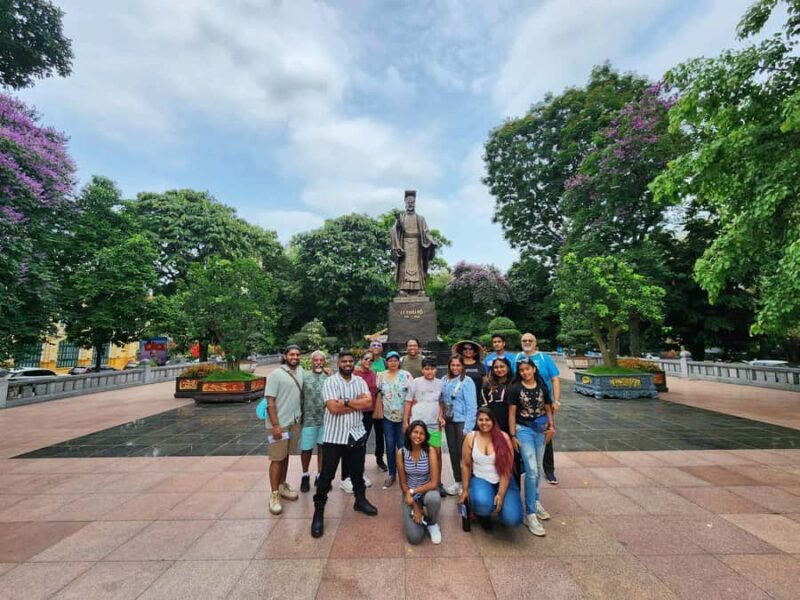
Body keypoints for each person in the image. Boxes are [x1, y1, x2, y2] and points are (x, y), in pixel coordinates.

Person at [311, 352, 378, 538]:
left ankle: (360, 500)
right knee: (326, 476)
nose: (347, 364)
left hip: (356, 434)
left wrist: (345, 402)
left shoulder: (359, 381)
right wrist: (354, 404)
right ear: (338, 363)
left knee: (357, 472)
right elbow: (332, 408)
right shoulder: (330, 382)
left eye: (350, 361)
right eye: (344, 361)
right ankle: (319, 512)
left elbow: (368, 402)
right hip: (334, 437)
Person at [509, 357, 554, 536]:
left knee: (538, 470)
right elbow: (512, 414)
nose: (525, 373)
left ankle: (535, 501)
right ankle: (530, 514)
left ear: (534, 369)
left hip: (541, 430)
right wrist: (513, 435)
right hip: (523, 430)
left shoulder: (543, 387)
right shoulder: (515, 389)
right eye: (522, 371)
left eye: (528, 369)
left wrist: (551, 426)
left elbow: (548, 408)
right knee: (532, 471)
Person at [458, 407, 523, 529]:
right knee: (483, 505)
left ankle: (501, 508)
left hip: (504, 481)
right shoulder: (471, 438)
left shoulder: (504, 437)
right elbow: (466, 465)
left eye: (487, 420)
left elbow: (506, 470)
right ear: (476, 421)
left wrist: (501, 494)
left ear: (493, 421)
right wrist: (465, 490)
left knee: (513, 519)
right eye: (480, 420)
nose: (484, 423)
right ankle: (482, 510)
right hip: (481, 479)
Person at [515, 333, 561, 484]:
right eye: (524, 340)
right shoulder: (517, 358)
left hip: (544, 404)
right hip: (524, 405)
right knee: (525, 436)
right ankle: (526, 466)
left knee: (546, 436)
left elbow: (555, 379)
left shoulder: (544, 358)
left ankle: (549, 470)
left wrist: (557, 401)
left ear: (535, 343)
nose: (527, 342)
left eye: (530, 340)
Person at [264, 345, 305, 515]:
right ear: (285, 355)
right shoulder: (275, 375)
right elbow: (270, 402)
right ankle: (274, 494)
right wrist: (275, 426)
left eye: (297, 354)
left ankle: (282, 485)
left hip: (294, 422)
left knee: (286, 455)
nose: (295, 357)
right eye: (292, 354)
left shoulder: (301, 371)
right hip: (278, 424)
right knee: (277, 458)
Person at [404, 356, 445, 495]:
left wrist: (441, 416)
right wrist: (405, 421)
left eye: (432, 369)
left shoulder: (441, 383)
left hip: (433, 425)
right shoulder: (415, 383)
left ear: (436, 370)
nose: (429, 372)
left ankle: (437, 482)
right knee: (417, 452)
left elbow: (441, 402)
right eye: (427, 369)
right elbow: (408, 401)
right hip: (417, 425)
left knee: (437, 453)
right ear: (422, 369)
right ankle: (417, 482)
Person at [397, 421, 442, 545]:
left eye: (422, 433)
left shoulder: (430, 451)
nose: (418, 436)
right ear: (409, 434)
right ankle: (421, 516)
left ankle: (432, 523)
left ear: (425, 436)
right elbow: (403, 483)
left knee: (433, 498)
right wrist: (414, 505)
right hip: (409, 494)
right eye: (415, 432)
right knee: (415, 538)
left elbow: (434, 483)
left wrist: (413, 491)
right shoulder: (401, 453)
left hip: (427, 490)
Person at [339, 351, 377, 492]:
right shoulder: (352, 373)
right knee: (348, 444)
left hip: (368, 413)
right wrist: (360, 402)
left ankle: (358, 474)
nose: (368, 361)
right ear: (360, 360)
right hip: (353, 412)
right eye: (366, 358)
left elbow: (372, 395)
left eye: (371, 359)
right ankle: (345, 477)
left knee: (361, 445)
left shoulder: (372, 374)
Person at [441, 354, 477, 496]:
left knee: (465, 454)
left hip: (462, 421)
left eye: (458, 365)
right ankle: (457, 481)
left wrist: (468, 427)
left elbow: (472, 406)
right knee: (453, 451)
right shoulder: (444, 380)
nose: (455, 368)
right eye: (453, 365)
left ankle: (467, 483)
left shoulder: (467, 381)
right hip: (449, 421)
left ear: (463, 366)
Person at [377, 351, 414, 488]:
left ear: (399, 362)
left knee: (403, 446)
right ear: (386, 362)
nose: (393, 363)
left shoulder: (406, 375)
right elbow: (378, 392)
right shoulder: (381, 376)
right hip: (387, 417)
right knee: (390, 445)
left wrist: (409, 416)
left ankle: (406, 474)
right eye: (390, 360)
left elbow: (412, 395)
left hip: (403, 417)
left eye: (395, 360)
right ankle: (392, 474)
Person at [391, 190, 438, 295]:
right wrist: (398, 222)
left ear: (415, 204)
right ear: (405, 204)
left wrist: (432, 241)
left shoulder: (420, 219)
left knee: (418, 265)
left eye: (412, 202)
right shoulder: (401, 218)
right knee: (404, 265)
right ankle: (403, 289)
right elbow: (395, 230)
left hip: (417, 245)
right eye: (408, 202)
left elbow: (426, 232)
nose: (410, 204)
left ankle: (419, 289)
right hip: (405, 245)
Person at [299, 350, 329, 493]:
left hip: (325, 419)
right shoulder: (304, 377)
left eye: (321, 360)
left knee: (322, 447)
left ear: (324, 362)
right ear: (311, 362)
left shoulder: (329, 377)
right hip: (308, 419)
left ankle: (320, 475)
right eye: (315, 360)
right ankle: (305, 475)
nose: (318, 363)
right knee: (306, 448)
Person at [367, 342, 388, 471]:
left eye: (378, 345)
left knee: (380, 433)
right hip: (365, 403)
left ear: (382, 349)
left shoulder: (385, 362)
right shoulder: (363, 361)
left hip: (380, 402)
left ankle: (379, 458)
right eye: (373, 345)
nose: (375, 347)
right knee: (364, 433)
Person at [479, 357, 513, 434]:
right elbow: (484, 405)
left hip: (512, 424)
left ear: (508, 367)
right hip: (493, 423)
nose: (499, 369)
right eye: (496, 367)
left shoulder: (515, 384)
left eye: (502, 366)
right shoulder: (487, 385)